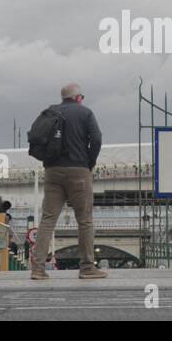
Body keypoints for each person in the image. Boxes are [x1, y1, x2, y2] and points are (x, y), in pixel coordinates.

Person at [30, 83, 106, 280]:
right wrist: (89, 162)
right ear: (78, 97)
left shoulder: (50, 112)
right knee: (85, 221)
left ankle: (37, 268)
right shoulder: (85, 113)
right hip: (78, 170)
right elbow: (96, 139)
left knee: (48, 220)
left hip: (52, 171)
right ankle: (88, 267)